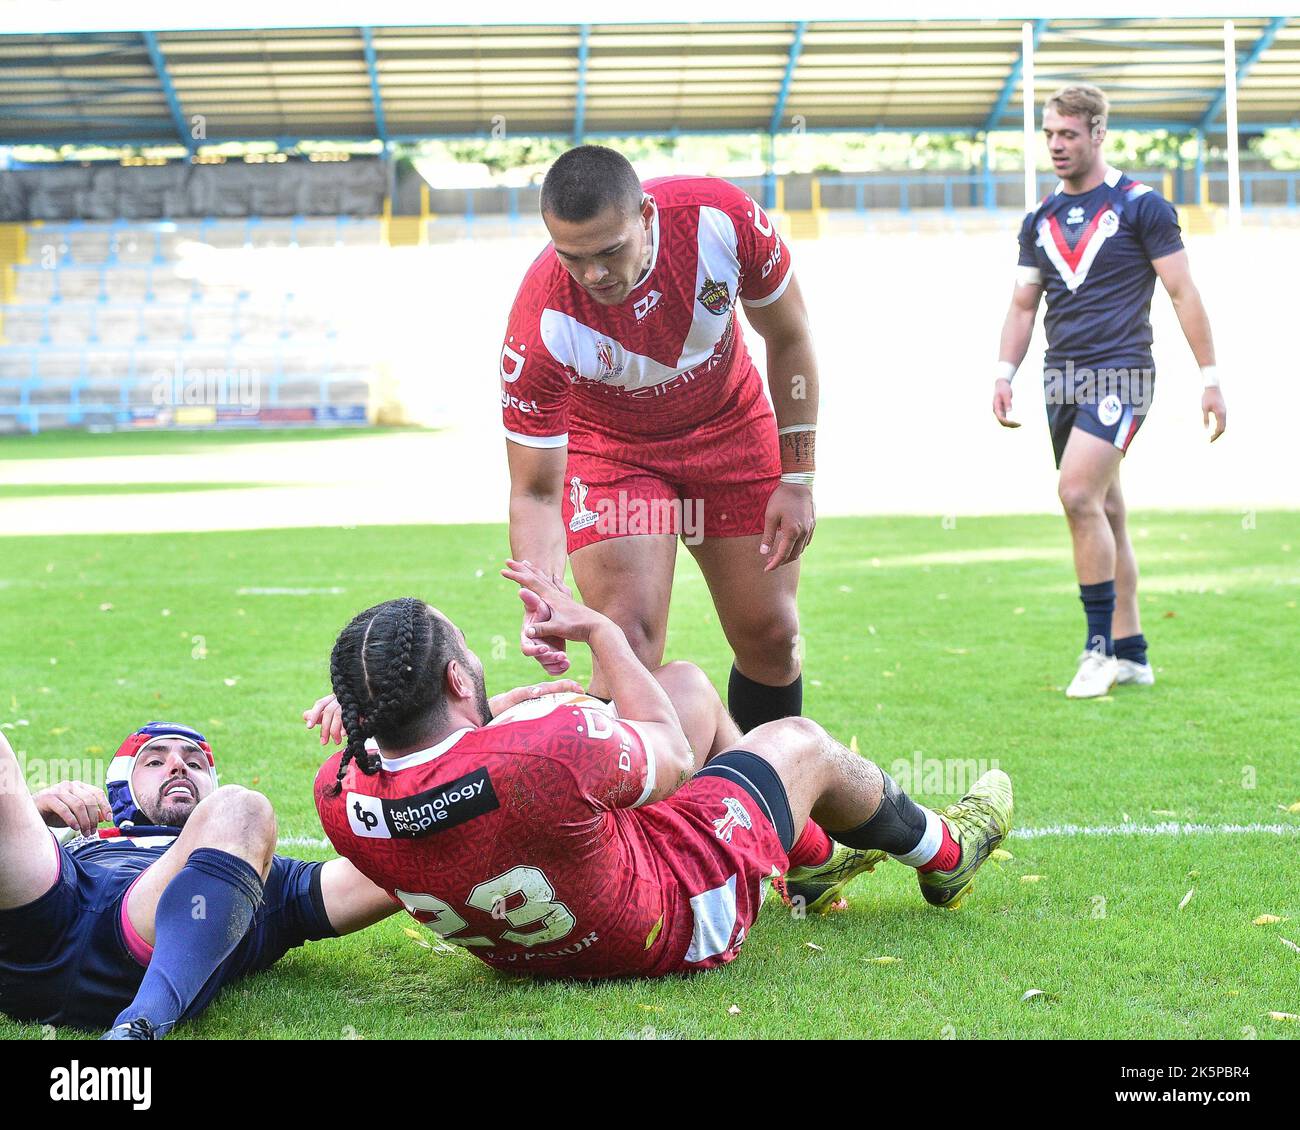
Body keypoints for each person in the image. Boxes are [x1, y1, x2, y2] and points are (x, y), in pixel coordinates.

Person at [311, 569, 1013, 981]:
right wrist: (601, 634)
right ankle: (947, 853)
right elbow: (673, 752)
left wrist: (371, 715)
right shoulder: (543, 750)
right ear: (458, 679)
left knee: (682, 682)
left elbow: (467, 766)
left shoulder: (338, 791)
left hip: (540, 934)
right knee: (798, 742)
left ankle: (813, 863)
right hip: (667, 920)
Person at [500, 144, 820, 733]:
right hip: (614, 453)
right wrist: (543, 594)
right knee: (627, 637)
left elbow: (790, 337)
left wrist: (796, 478)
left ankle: (764, 802)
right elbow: (536, 492)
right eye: (573, 258)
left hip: (732, 427)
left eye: (609, 251)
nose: (593, 274)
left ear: (645, 216)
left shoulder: (721, 220)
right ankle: (617, 823)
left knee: (773, 637)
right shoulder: (540, 323)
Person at [992, 83, 1228, 699]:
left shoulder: (1142, 206)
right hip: (1061, 379)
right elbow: (1022, 305)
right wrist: (1003, 371)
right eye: (1049, 134)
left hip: (1123, 374)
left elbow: (1183, 293)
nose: (1056, 145)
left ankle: (1097, 650)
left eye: (1069, 134)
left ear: (1099, 133)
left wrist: (1210, 378)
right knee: (1106, 509)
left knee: (1075, 494)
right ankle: (1133, 652)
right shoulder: (1038, 220)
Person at [0, 721, 397, 1039]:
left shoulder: (258, 867)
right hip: (43, 908)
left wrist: (384, 728)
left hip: (144, 927)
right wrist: (32, 815)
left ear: (212, 787)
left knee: (245, 807)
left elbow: (397, 872)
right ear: (122, 785)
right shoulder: (70, 842)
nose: (177, 766)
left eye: (194, 763)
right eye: (154, 762)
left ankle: (139, 1026)